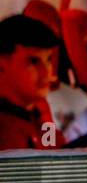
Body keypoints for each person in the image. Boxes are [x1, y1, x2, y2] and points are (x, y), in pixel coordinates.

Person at [0, 13, 63, 150]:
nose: (47, 72)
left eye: (48, 60)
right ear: (2, 66)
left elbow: (54, 152)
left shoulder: (40, 113)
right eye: (34, 61)